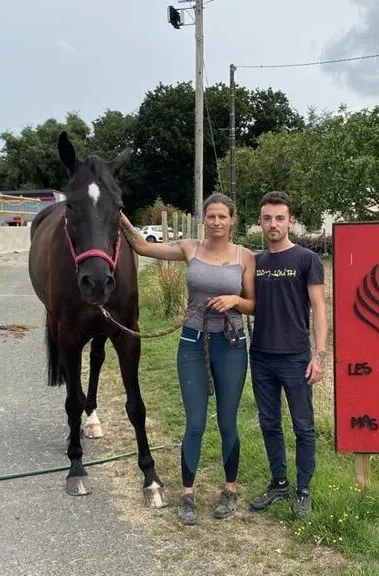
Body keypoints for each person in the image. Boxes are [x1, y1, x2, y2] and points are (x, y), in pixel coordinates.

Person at [119, 193, 256, 526]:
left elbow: (255, 305)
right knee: (194, 423)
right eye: (211, 216)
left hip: (231, 343)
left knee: (227, 421)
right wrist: (119, 215)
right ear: (204, 219)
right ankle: (188, 496)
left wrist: (235, 300)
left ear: (232, 219)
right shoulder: (189, 248)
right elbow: (142, 247)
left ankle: (230, 490)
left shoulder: (245, 256)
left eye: (223, 217)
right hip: (192, 342)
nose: (217, 222)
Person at [247, 191, 327, 519]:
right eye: (267, 218)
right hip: (261, 356)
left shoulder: (307, 259)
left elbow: (320, 309)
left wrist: (319, 356)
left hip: (295, 357)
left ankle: (303, 489)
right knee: (269, 423)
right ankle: (279, 483)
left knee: (303, 426)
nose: (273, 224)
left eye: (280, 218)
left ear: (290, 221)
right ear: (260, 222)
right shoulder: (255, 261)